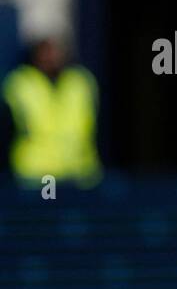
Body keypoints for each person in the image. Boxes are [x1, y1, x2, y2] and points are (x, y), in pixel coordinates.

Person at [1, 37, 102, 187]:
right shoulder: (20, 83)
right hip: (35, 174)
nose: (51, 57)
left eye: (55, 51)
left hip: (80, 172)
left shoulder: (81, 81)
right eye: (45, 52)